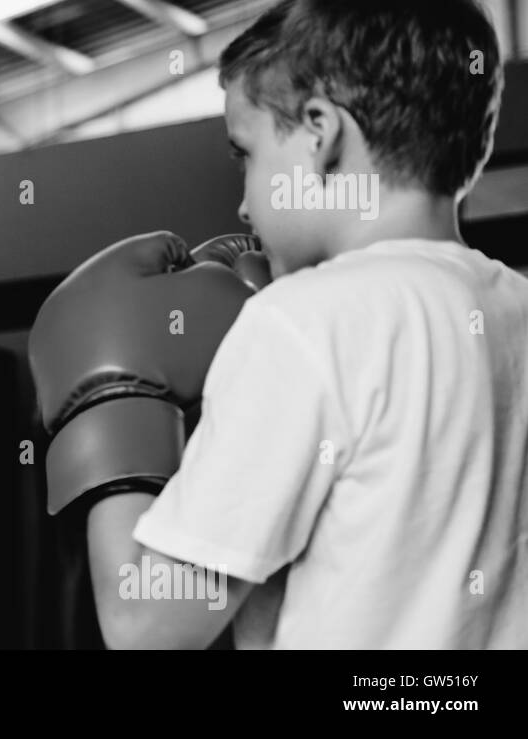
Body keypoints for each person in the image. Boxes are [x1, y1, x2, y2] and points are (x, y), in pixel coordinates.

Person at [40, 0, 527, 648]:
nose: (243, 201)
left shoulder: (302, 322)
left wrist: (110, 400)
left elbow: (146, 622)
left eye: (245, 151)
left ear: (320, 131)